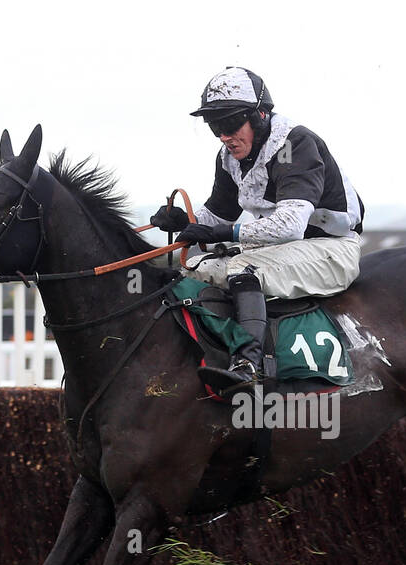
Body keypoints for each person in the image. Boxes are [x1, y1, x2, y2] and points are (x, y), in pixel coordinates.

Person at [150, 67, 364, 396]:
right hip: (286, 249)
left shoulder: (295, 143)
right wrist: (183, 221)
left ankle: (249, 366)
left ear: (261, 116)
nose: (223, 135)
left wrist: (224, 232)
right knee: (197, 268)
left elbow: (290, 224)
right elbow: (217, 214)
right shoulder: (230, 157)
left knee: (242, 268)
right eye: (214, 126)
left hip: (332, 249)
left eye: (229, 124)